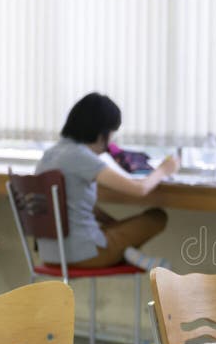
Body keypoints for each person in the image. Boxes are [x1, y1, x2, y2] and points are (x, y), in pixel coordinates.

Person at [35, 92, 180, 270]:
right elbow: (139, 190)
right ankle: (126, 253)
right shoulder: (80, 156)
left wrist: (115, 224)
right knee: (157, 216)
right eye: (112, 133)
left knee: (112, 229)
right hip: (86, 254)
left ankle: (128, 253)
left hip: (50, 255)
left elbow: (70, 205)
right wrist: (164, 170)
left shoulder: (49, 155)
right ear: (102, 132)